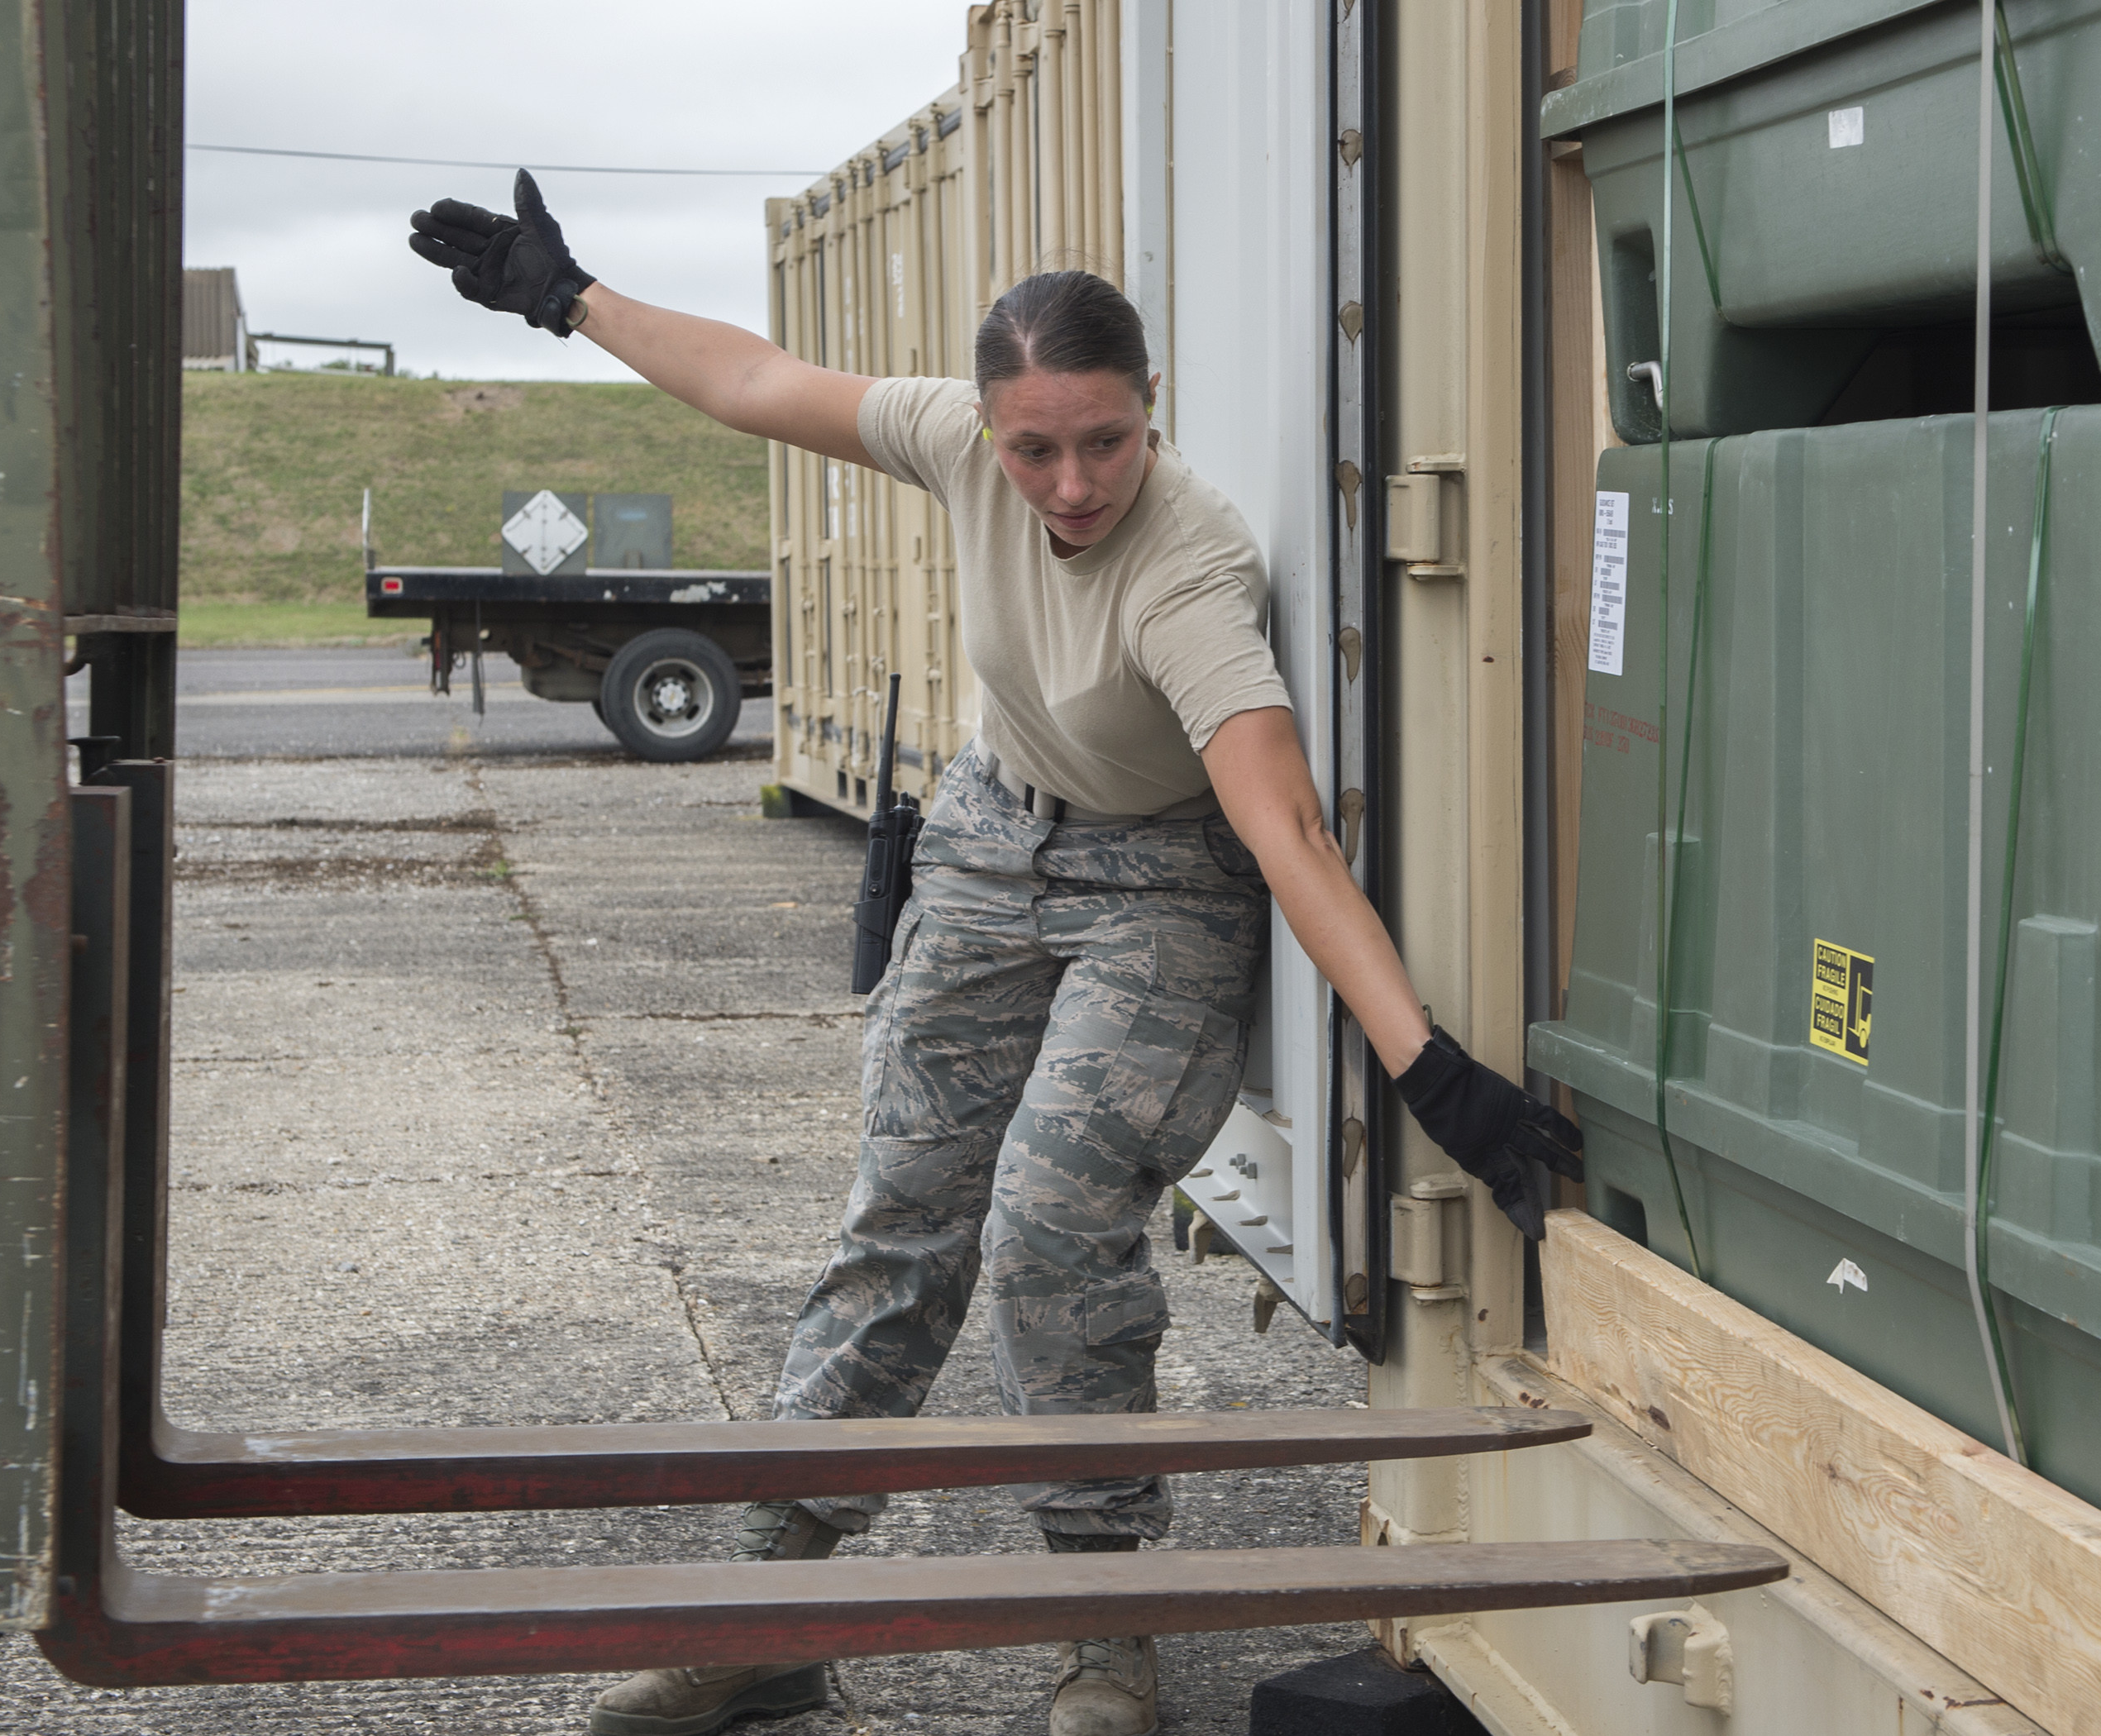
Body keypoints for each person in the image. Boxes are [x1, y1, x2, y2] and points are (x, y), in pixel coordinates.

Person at [409, 173, 1582, 1736]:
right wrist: (571, 297)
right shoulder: (964, 446)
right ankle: (770, 1611)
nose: (1072, 481)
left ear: (1149, 409)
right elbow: (754, 382)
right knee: (897, 1221)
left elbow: (1288, 832)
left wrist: (1425, 1067)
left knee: (1048, 1221)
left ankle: (1109, 1626)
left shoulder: (1190, 565)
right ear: (986, 425)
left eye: (1105, 439)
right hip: (986, 843)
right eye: (1035, 447)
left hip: (1162, 887)